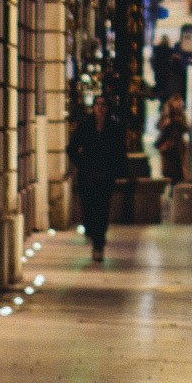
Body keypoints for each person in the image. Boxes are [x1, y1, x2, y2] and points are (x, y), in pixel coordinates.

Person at [64, 94, 123, 265]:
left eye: (103, 104)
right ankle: (92, 232)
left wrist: (116, 170)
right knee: (89, 207)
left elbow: (119, 152)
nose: (100, 108)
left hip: (105, 175)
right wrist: (80, 163)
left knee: (103, 209)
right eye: (97, 104)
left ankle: (99, 243)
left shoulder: (114, 128)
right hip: (88, 174)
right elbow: (72, 148)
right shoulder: (85, 126)